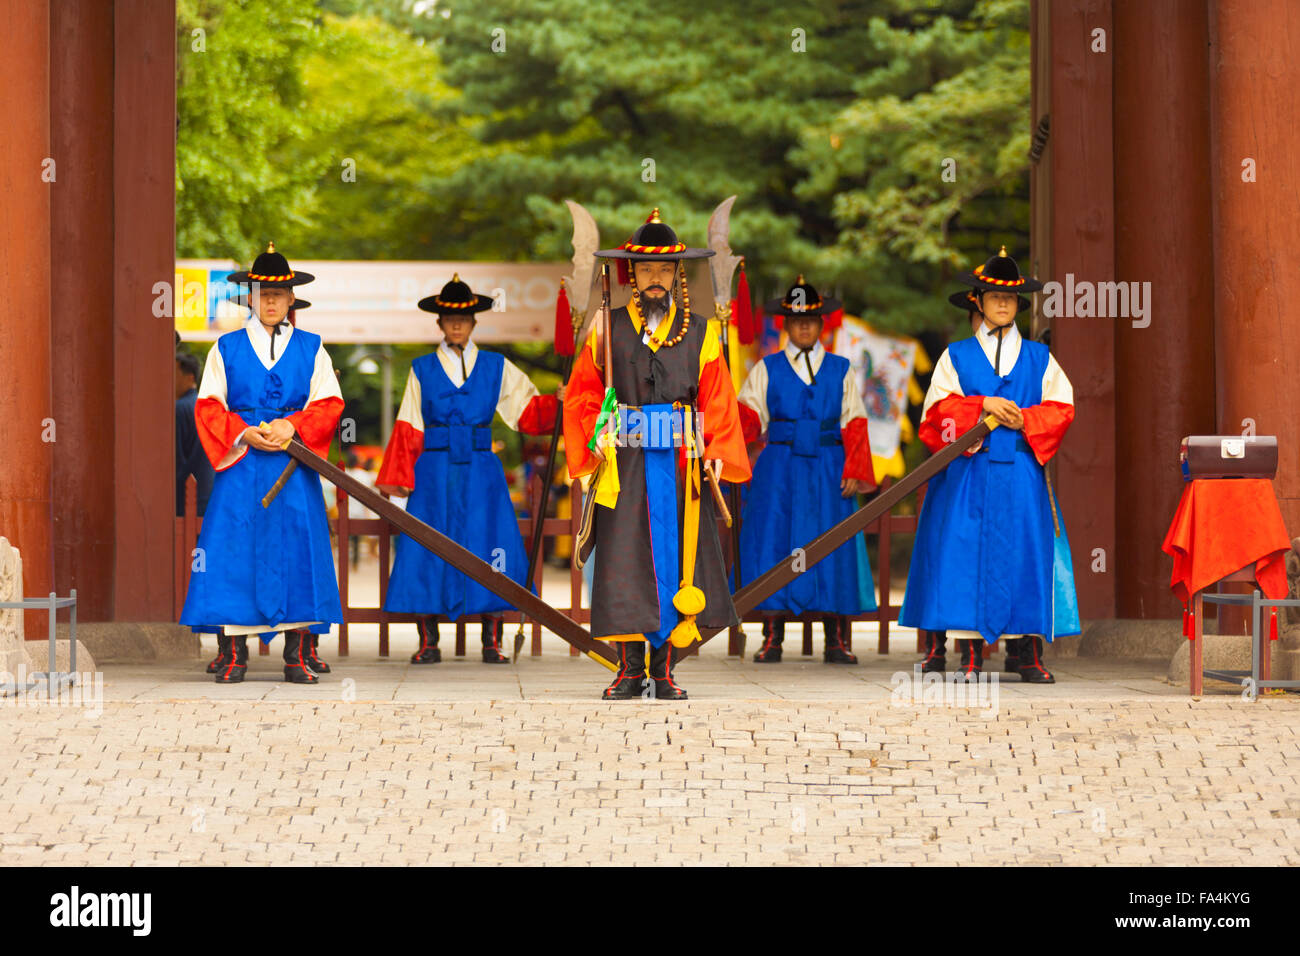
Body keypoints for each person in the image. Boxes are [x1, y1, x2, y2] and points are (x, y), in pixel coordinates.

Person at [563, 209, 751, 699]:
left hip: (682, 462)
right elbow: (582, 396)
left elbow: (719, 398)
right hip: (624, 464)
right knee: (625, 559)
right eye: (644, 270)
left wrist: (715, 448)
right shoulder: (606, 328)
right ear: (630, 274)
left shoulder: (703, 331)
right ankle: (628, 667)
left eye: (664, 270)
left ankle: (665, 666)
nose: (654, 279)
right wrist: (595, 432)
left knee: (679, 561)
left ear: (676, 274)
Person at [900, 248, 1074, 683]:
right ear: (977, 300)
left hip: (1019, 472)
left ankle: (1028, 651)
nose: (1002, 304)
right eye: (994, 296)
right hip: (968, 473)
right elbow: (934, 415)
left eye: (1010, 298)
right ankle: (970, 651)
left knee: (1026, 554)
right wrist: (981, 407)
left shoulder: (1039, 358)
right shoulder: (954, 356)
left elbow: (1063, 408)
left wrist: (1027, 418)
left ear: (1018, 304)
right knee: (962, 554)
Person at [179, 243, 344, 684]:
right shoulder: (226, 348)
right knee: (233, 554)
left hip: (293, 467)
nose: (270, 300)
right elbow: (208, 404)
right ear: (250, 296)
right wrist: (242, 431)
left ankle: (296, 654)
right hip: (242, 465)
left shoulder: (313, 348)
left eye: (279, 293)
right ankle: (235, 654)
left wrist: (293, 426)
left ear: (292, 298)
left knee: (298, 551)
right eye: (262, 292)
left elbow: (329, 402)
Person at [375, 275, 559, 664]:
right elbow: (410, 423)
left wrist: (560, 403)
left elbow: (525, 411)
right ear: (439, 322)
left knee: (490, 543)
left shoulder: (496, 366)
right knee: (426, 545)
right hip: (433, 469)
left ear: (475, 322)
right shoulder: (422, 368)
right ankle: (428, 641)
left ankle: (491, 640)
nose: (457, 324)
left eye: (464, 318)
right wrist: (398, 478)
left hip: (481, 471)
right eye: (449, 317)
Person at [736, 276, 877, 664]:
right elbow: (748, 417)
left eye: (811, 320)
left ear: (821, 324)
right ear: (785, 323)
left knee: (832, 543)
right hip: (779, 469)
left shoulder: (840, 369)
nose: (804, 326)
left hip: (829, 468)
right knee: (775, 545)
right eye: (797, 319)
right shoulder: (767, 369)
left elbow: (855, 421)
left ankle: (836, 637)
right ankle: (772, 635)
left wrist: (855, 465)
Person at [175, 351, 215, 517]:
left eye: (174, 373)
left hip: (184, 499)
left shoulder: (180, 408)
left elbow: (175, 459)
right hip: (209, 493)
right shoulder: (208, 407)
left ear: (190, 377)